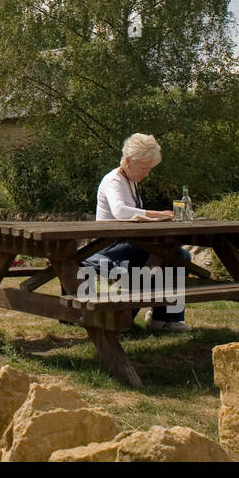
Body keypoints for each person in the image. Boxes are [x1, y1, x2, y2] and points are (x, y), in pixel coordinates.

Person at [86, 132, 189, 332]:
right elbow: (120, 211)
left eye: (149, 169)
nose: (147, 173)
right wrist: (157, 214)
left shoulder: (130, 181)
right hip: (110, 246)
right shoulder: (113, 180)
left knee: (178, 255)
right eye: (143, 168)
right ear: (127, 161)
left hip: (129, 243)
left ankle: (165, 318)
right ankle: (129, 316)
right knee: (163, 256)